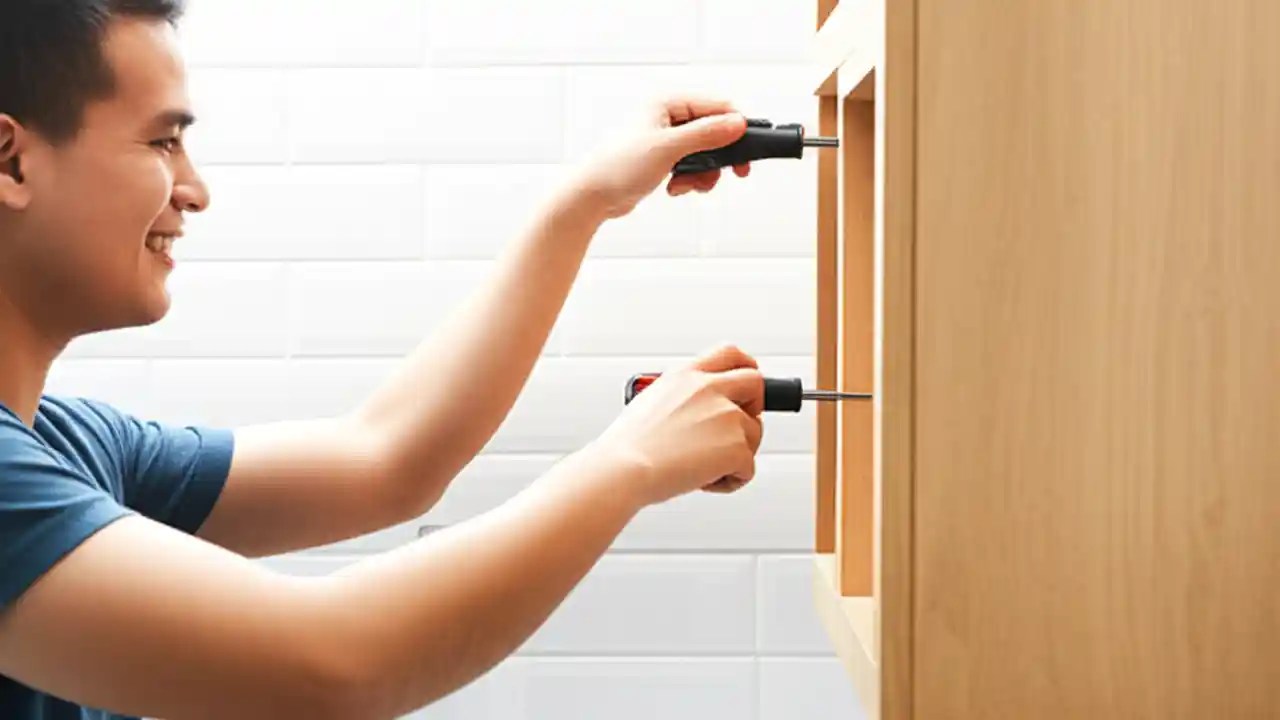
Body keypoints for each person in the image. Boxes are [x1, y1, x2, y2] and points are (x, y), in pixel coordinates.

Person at [0, 1, 769, 718]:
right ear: (11, 163)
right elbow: (336, 664)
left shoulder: (65, 445)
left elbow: (387, 460)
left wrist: (586, 202)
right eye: (163, 141)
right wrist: (629, 463)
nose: (194, 190)